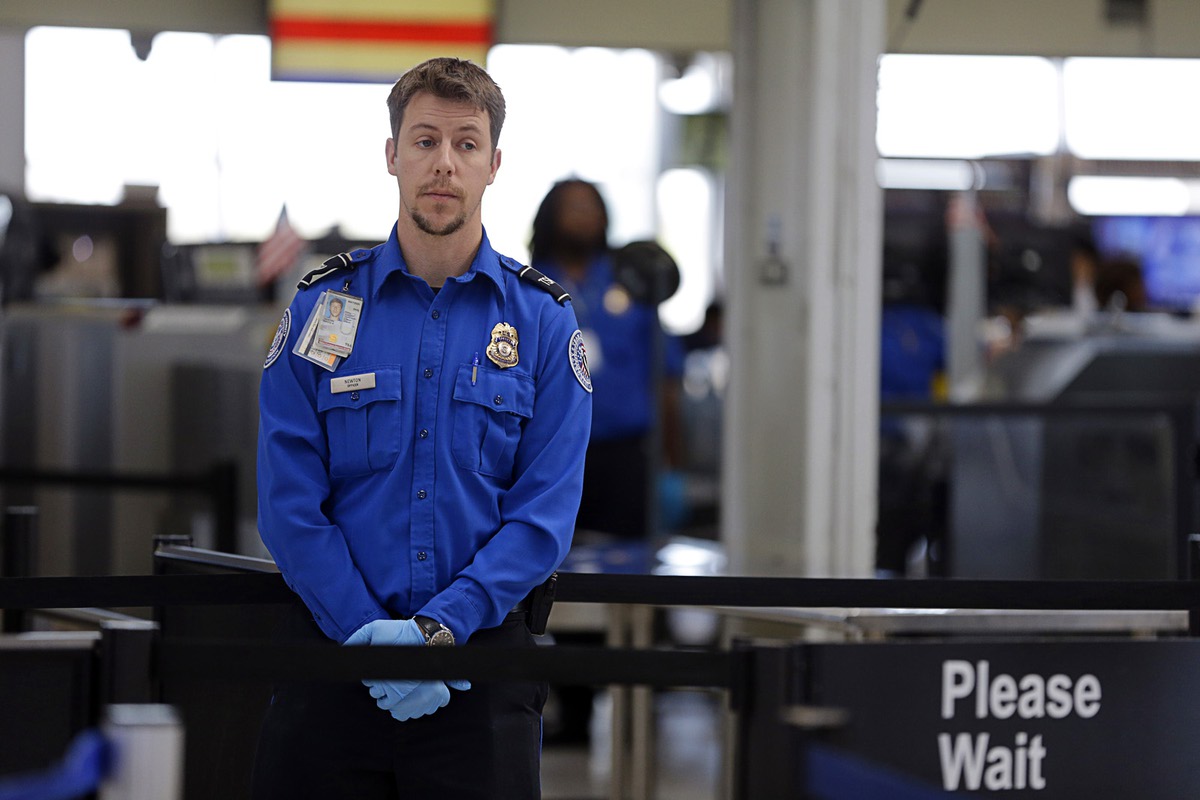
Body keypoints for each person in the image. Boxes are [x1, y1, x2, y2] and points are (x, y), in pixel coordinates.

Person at [253, 57, 592, 799]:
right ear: (392, 155)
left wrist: (437, 633)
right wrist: (366, 639)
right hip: (331, 667)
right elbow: (287, 506)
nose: (444, 164)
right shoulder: (321, 313)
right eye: (425, 140)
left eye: (466, 144)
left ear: (494, 164)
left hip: (480, 679)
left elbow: (542, 519)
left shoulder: (541, 326)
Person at [529, 178, 684, 541]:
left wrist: (673, 463)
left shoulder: (631, 280)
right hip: (553, 457)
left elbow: (666, 375)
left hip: (626, 456)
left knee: (629, 571)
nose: (586, 216)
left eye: (593, 208)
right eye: (574, 207)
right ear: (551, 217)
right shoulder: (530, 286)